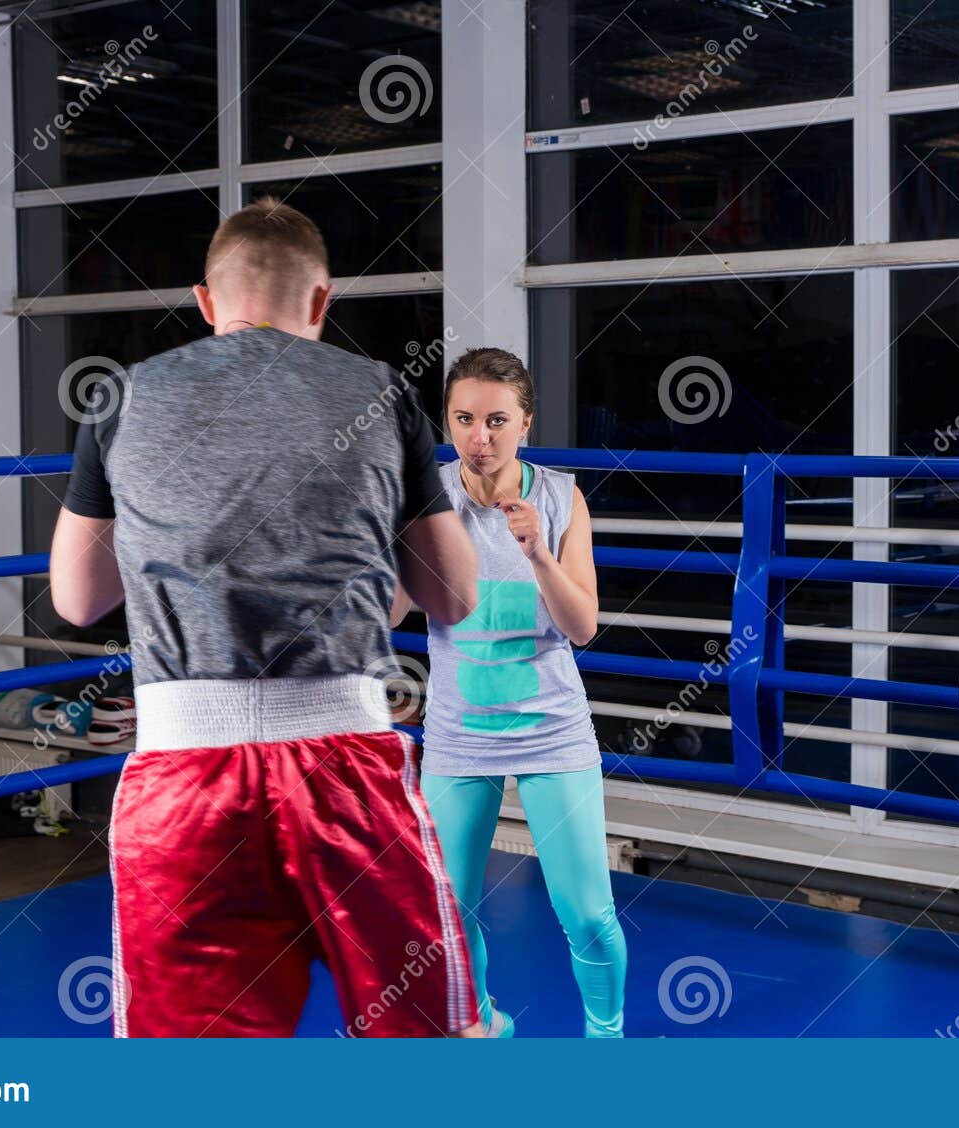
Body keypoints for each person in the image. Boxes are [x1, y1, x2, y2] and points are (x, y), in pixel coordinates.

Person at [49, 197, 484, 1038]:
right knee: (424, 1041)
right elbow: (455, 596)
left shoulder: (125, 398)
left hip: (182, 773)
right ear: (322, 302)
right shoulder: (377, 391)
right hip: (345, 764)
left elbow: (77, 599)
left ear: (205, 302)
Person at [392, 347, 627, 1038]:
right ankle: (482, 1021)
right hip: (460, 734)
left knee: (587, 911)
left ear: (525, 421)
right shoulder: (428, 497)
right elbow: (393, 613)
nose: (480, 436)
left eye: (497, 419)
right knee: (447, 911)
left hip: (553, 729)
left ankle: (605, 1038)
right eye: (464, 418)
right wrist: (397, 538)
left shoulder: (561, 496)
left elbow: (582, 627)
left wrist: (538, 554)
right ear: (448, 421)